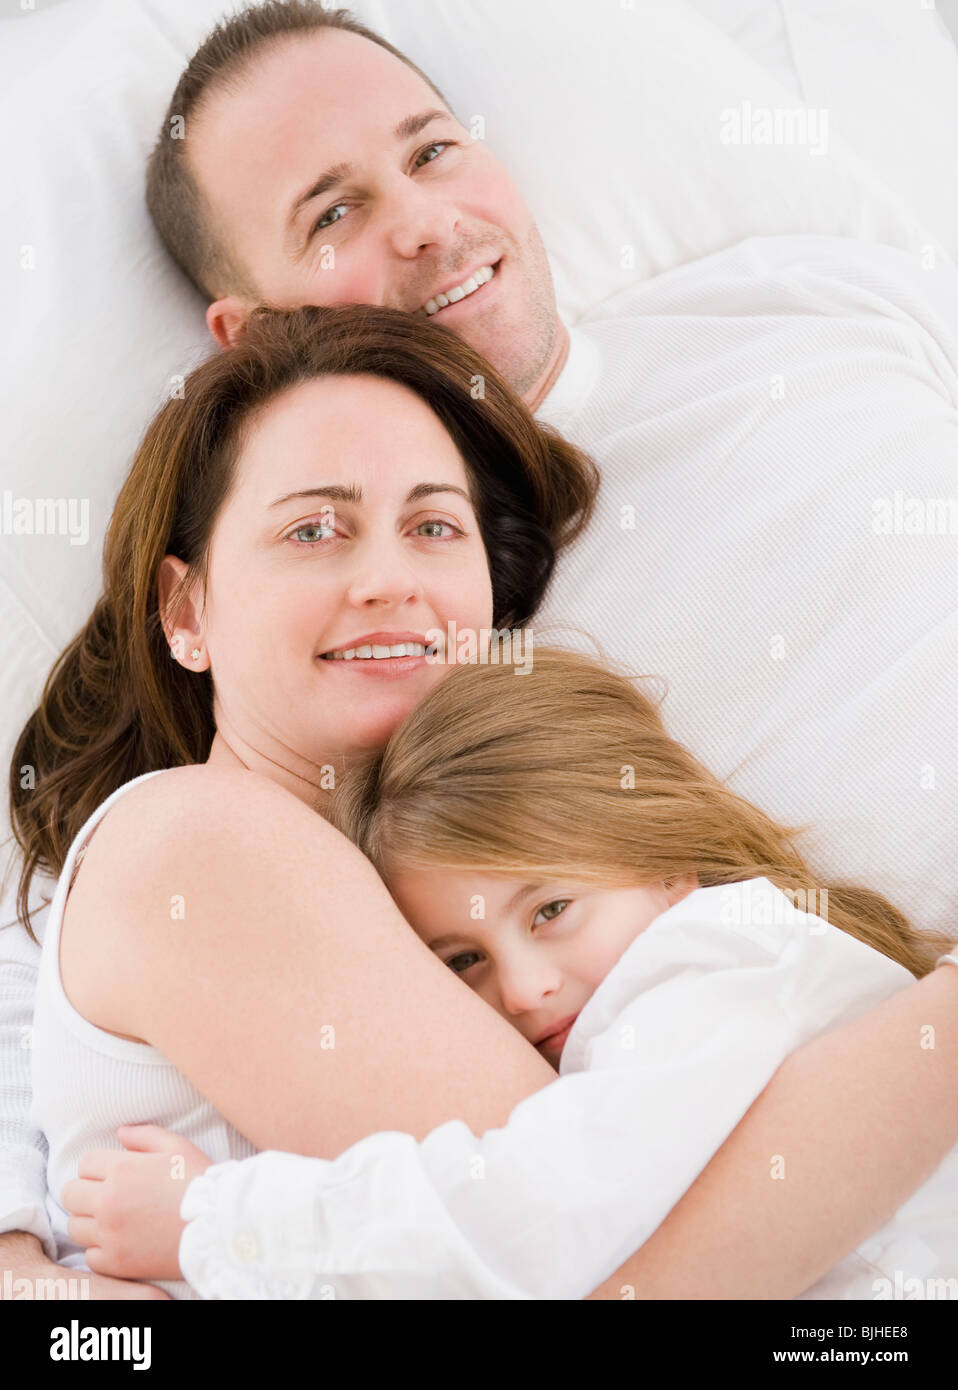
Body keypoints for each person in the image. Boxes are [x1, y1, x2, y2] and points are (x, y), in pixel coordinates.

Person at [4, 0, 958, 1296]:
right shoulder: (211, 829)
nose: (388, 580)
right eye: (314, 529)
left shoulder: (800, 297)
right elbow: (579, 1238)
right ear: (187, 609)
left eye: (432, 525)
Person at [59, 647, 958, 1299]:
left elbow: (535, 1218)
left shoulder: (721, 962)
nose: (524, 990)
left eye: (551, 911)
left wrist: (214, 1222)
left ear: (668, 864)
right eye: (464, 962)